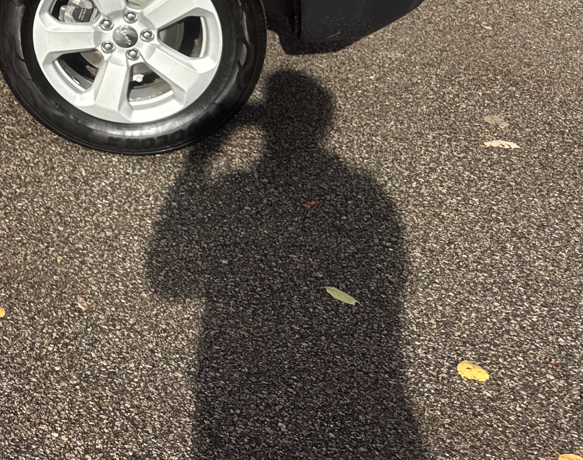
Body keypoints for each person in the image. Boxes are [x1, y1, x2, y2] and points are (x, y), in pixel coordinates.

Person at [146, 70, 426, 457]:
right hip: (373, 390)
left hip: (235, 393)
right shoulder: (365, 193)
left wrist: (203, 156)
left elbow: (170, 282)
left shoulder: (236, 190)